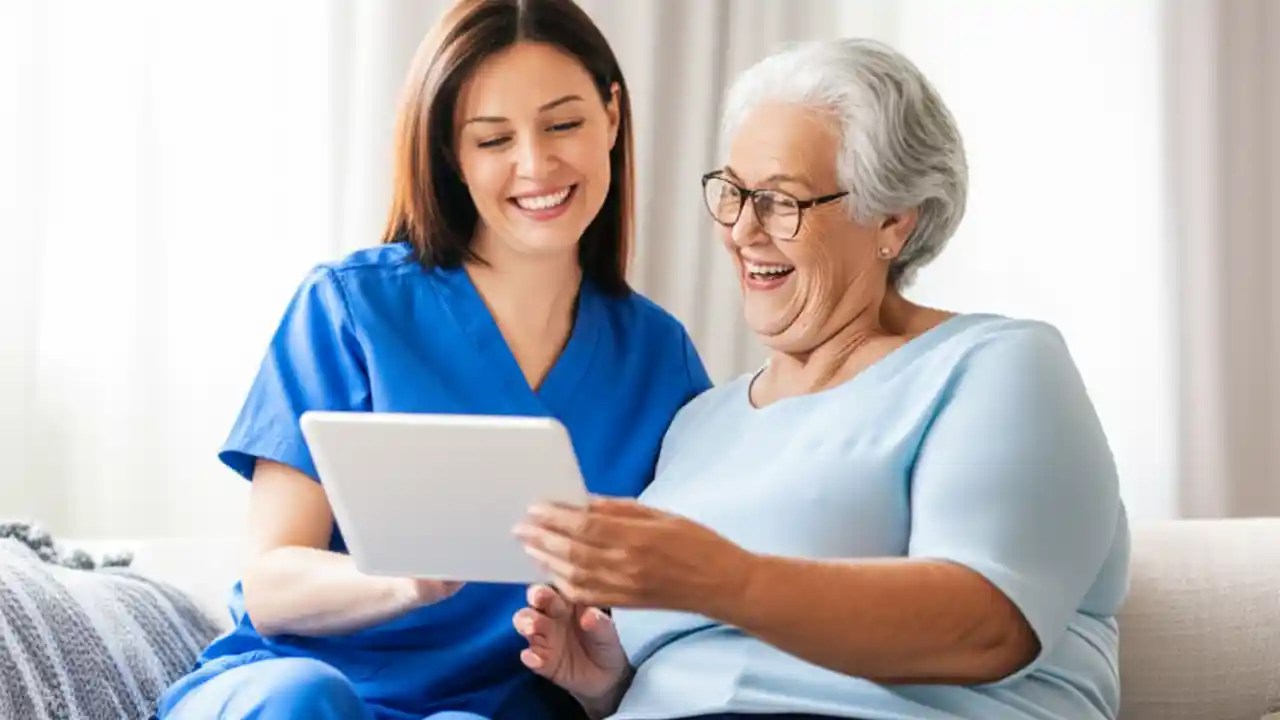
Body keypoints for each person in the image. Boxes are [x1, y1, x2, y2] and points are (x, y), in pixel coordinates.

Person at [513, 38, 1130, 720]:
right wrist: (609, 680)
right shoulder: (700, 422)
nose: (744, 230)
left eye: (782, 202)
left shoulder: (994, 366)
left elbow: (989, 626)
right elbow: (730, 660)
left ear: (892, 220)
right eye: (734, 192)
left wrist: (722, 579)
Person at [154, 1, 711, 718]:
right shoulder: (350, 308)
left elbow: (672, 622)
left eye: (563, 123)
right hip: (300, 689)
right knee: (304, 696)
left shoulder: (661, 362)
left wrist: (602, 682)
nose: (536, 164)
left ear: (611, 115)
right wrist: (402, 582)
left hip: (493, 710)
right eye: (492, 139)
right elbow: (269, 585)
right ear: (452, 153)